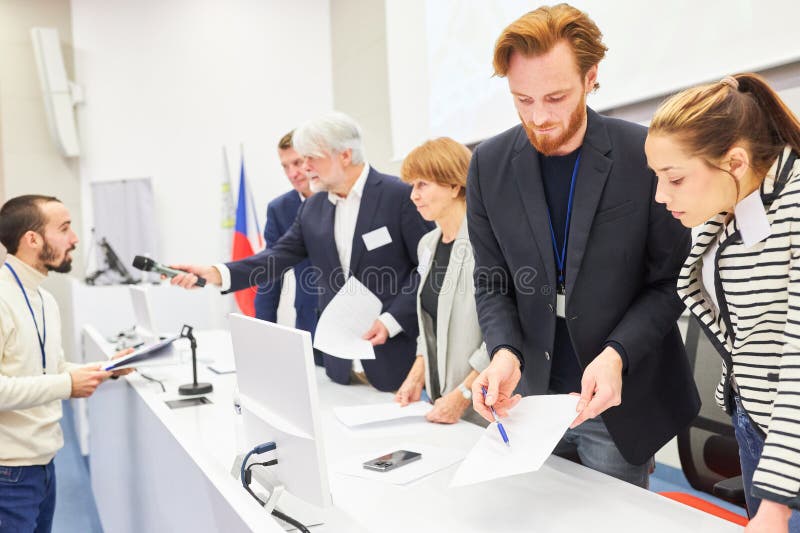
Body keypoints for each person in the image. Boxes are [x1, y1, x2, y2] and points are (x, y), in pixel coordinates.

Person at [467, 3, 700, 488]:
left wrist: (616, 354)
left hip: (617, 396)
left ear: (592, 77)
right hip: (529, 397)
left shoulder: (643, 154)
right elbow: (492, 281)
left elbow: (671, 281)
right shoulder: (488, 165)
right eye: (522, 100)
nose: (540, 117)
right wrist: (504, 351)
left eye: (555, 97)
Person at [171, 112, 433, 391]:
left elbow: (429, 269)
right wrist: (214, 273)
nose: (305, 167)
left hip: (397, 364)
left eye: (312, 158)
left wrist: (392, 320)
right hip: (339, 369)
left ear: (345, 155)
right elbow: (275, 258)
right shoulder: (313, 207)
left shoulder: (399, 196)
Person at [645, 73, 800, 533]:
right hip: (756, 417)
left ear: (735, 160)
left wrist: (776, 501)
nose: (660, 195)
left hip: (789, 439)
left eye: (673, 178)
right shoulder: (730, 201)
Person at [0, 195, 131, 532]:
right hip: (8, 474)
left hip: (43, 467)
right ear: (32, 239)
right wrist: (67, 386)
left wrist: (105, 369)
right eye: (64, 228)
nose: (74, 239)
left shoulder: (44, 298)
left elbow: (51, 368)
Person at [393, 138, 490, 426]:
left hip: (484, 405)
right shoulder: (428, 244)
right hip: (442, 402)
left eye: (422, 184)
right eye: (412, 186)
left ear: (454, 185)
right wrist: (415, 377)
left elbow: (504, 332)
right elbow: (430, 322)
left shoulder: (488, 242)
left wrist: (463, 393)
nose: (413, 195)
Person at [253, 130, 321, 364]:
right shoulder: (280, 209)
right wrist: (264, 335)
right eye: (285, 166)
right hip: (308, 324)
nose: (292, 173)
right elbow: (270, 273)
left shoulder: (340, 197)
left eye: (297, 163)